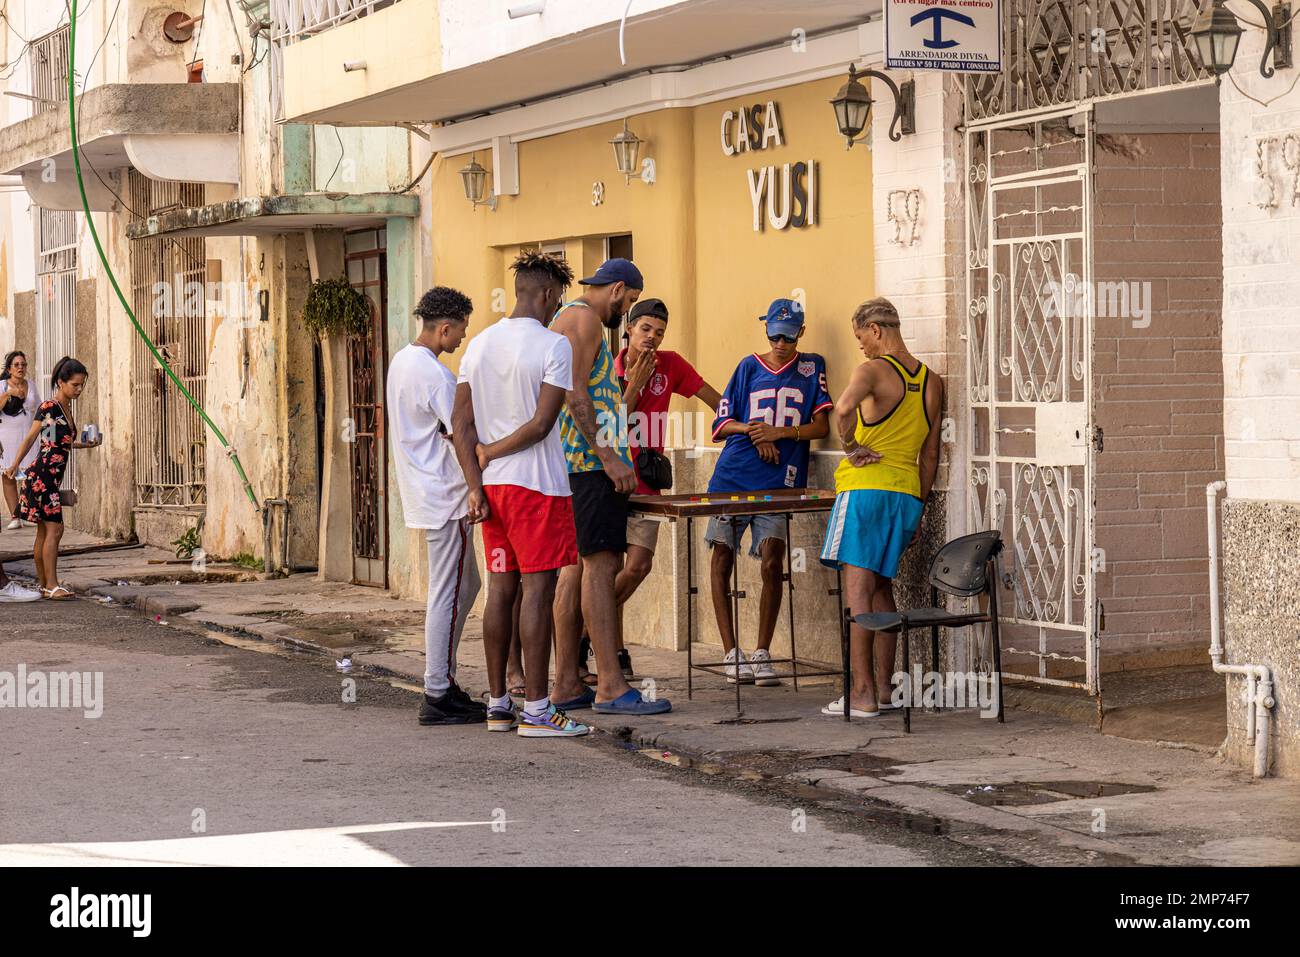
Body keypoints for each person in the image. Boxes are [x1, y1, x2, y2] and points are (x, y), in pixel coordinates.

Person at [452, 251, 589, 739]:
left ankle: (498, 704)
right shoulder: (553, 345)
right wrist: (490, 451)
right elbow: (541, 424)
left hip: (492, 490)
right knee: (538, 590)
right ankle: (536, 709)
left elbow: (460, 423)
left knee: (500, 589)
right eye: (559, 298)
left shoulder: (480, 345)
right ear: (549, 295)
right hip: (537, 487)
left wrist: (475, 482)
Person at [549, 259, 671, 716]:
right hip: (589, 468)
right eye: (632, 301)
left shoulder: (571, 319)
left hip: (577, 468)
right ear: (618, 289)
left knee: (576, 572)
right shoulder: (585, 321)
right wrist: (608, 455)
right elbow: (574, 392)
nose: (629, 309)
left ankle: (565, 683)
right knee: (601, 568)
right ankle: (611, 687)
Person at [819, 297, 943, 718]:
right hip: (906, 494)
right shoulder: (932, 381)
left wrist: (851, 447)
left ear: (875, 329)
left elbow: (842, 408)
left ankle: (862, 695)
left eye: (860, 338)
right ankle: (887, 689)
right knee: (882, 588)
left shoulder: (871, 371)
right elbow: (930, 455)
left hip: (865, 492)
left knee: (857, 594)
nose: (861, 348)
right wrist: (919, 507)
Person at [707, 298, 832, 685]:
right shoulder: (747, 367)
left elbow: (821, 426)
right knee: (721, 560)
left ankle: (762, 651)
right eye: (775, 335)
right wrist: (754, 430)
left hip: (780, 483)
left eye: (789, 336)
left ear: (801, 333)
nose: (781, 343)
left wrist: (781, 433)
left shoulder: (812, 367)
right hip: (732, 478)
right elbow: (721, 424)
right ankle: (731, 653)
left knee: (772, 563)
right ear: (766, 331)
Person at [386, 286, 487, 727]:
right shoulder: (433, 373)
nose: (463, 338)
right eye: (461, 330)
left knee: (463, 589)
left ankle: (441, 682)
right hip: (446, 495)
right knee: (448, 594)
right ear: (444, 327)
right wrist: (475, 488)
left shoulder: (402, 362)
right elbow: (463, 431)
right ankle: (438, 691)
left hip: (428, 491)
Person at [611, 297, 722, 677]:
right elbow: (608, 427)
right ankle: (615, 647)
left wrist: (741, 429)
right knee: (607, 569)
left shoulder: (670, 364)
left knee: (639, 565)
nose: (652, 338)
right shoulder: (605, 370)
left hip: (647, 483)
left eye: (659, 332)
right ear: (629, 329)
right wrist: (634, 385)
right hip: (607, 482)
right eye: (645, 329)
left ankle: (587, 624)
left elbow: (714, 398)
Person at [2, 357, 103, 599]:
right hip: (43, 476)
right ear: (61, 382)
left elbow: (55, 441)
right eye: (75, 385)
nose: (78, 389)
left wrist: (84, 445)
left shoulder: (64, 409)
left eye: (81, 385)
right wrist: (15, 465)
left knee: (44, 532)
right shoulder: (49, 406)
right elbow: (31, 438)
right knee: (55, 529)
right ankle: (51, 585)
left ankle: (45, 585)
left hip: (50, 476)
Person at [0, 351, 41, 528]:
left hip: (28, 435)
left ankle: (27, 513)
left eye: (23, 364)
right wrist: (10, 393)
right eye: (16, 365)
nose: (20, 368)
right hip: (7, 436)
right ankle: (14, 516)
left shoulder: (31, 385)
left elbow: (39, 409)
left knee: (30, 474)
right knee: (8, 475)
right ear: (9, 368)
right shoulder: (2, 385)